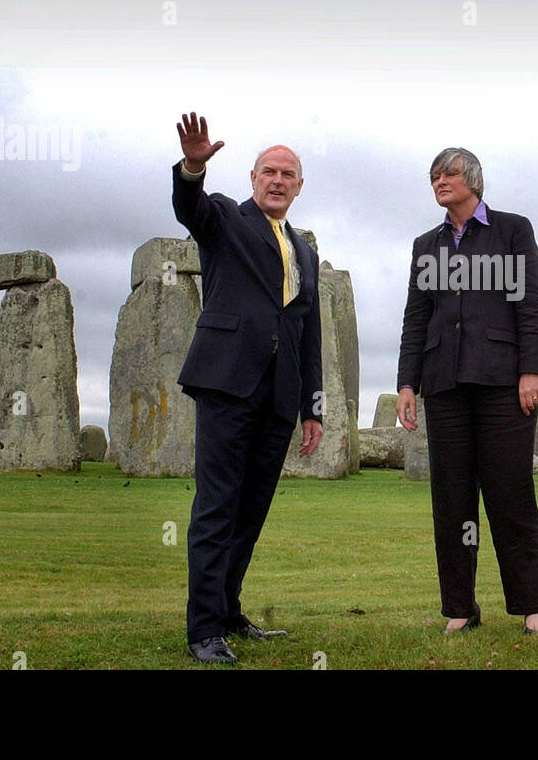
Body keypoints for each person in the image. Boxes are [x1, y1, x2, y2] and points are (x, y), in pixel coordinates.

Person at [171, 112, 323, 664]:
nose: (277, 180)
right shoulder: (226, 221)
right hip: (227, 385)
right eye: (268, 172)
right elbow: (190, 208)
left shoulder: (305, 251)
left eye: (287, 174)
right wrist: (191, 169)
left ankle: (229, 612)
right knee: (217, 507)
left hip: (279, 397)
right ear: (253, 178)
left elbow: (309, 332)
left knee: (250, 511)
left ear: (299, 185)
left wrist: (313, 407)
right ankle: (203, 630)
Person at [396, 148, 538, 635]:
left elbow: (531, 304)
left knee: (511, 496)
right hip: (444, 386)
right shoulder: (427, 244)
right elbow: (416, 317)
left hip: (505, 385)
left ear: (475, 181)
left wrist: (532, 371)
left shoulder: (512, 230)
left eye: (449, 173)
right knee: (452, 500)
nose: (440, 181)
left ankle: (532, 607)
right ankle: (460, 609)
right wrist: (406, 383)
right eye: (434, 175)